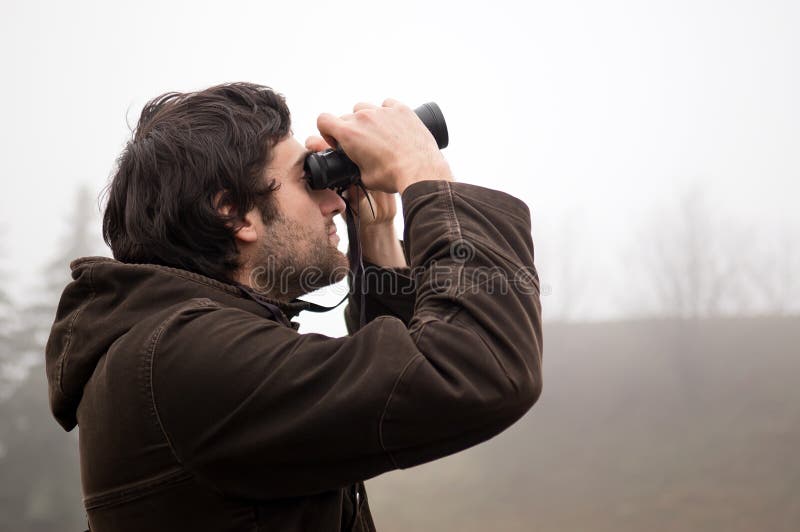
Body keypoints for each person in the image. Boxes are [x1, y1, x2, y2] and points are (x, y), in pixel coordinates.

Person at [45, 82, 543, 532]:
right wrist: (423, 173)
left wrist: (374, 229)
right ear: (233, 211)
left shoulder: (166, 346)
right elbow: (475, 369)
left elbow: (401, 385)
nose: (333, 201)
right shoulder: (185, 356)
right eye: (310, 181)